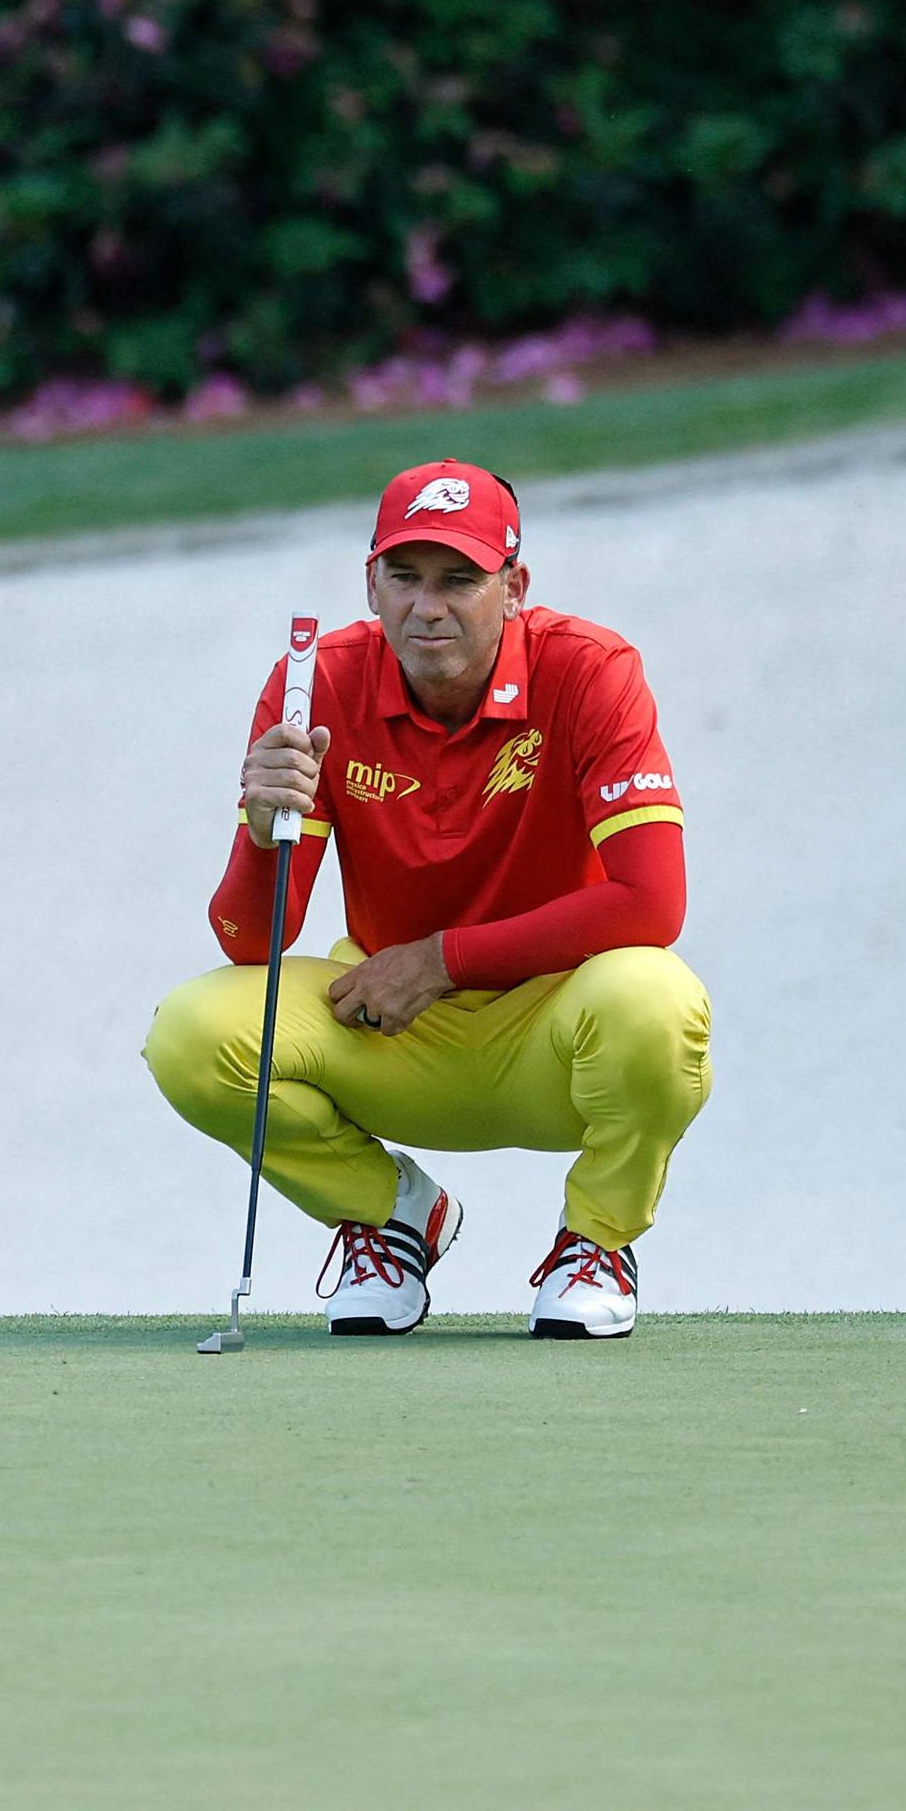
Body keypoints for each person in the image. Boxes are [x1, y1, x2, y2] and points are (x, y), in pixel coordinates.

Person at [141, 459, 711, 1338]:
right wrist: (262, 831)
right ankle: (389, 1217)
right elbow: (253, 940)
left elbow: (650, 904)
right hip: (390, 1031)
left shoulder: (591, 670)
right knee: (191, 1035)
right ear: (371, 583)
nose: (427, 606)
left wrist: (441, 961)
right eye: (404, 578)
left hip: (556, 1029)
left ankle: (596, 1240)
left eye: (460, 580)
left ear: (514, 587)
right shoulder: (316, 681)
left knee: (657, 998)